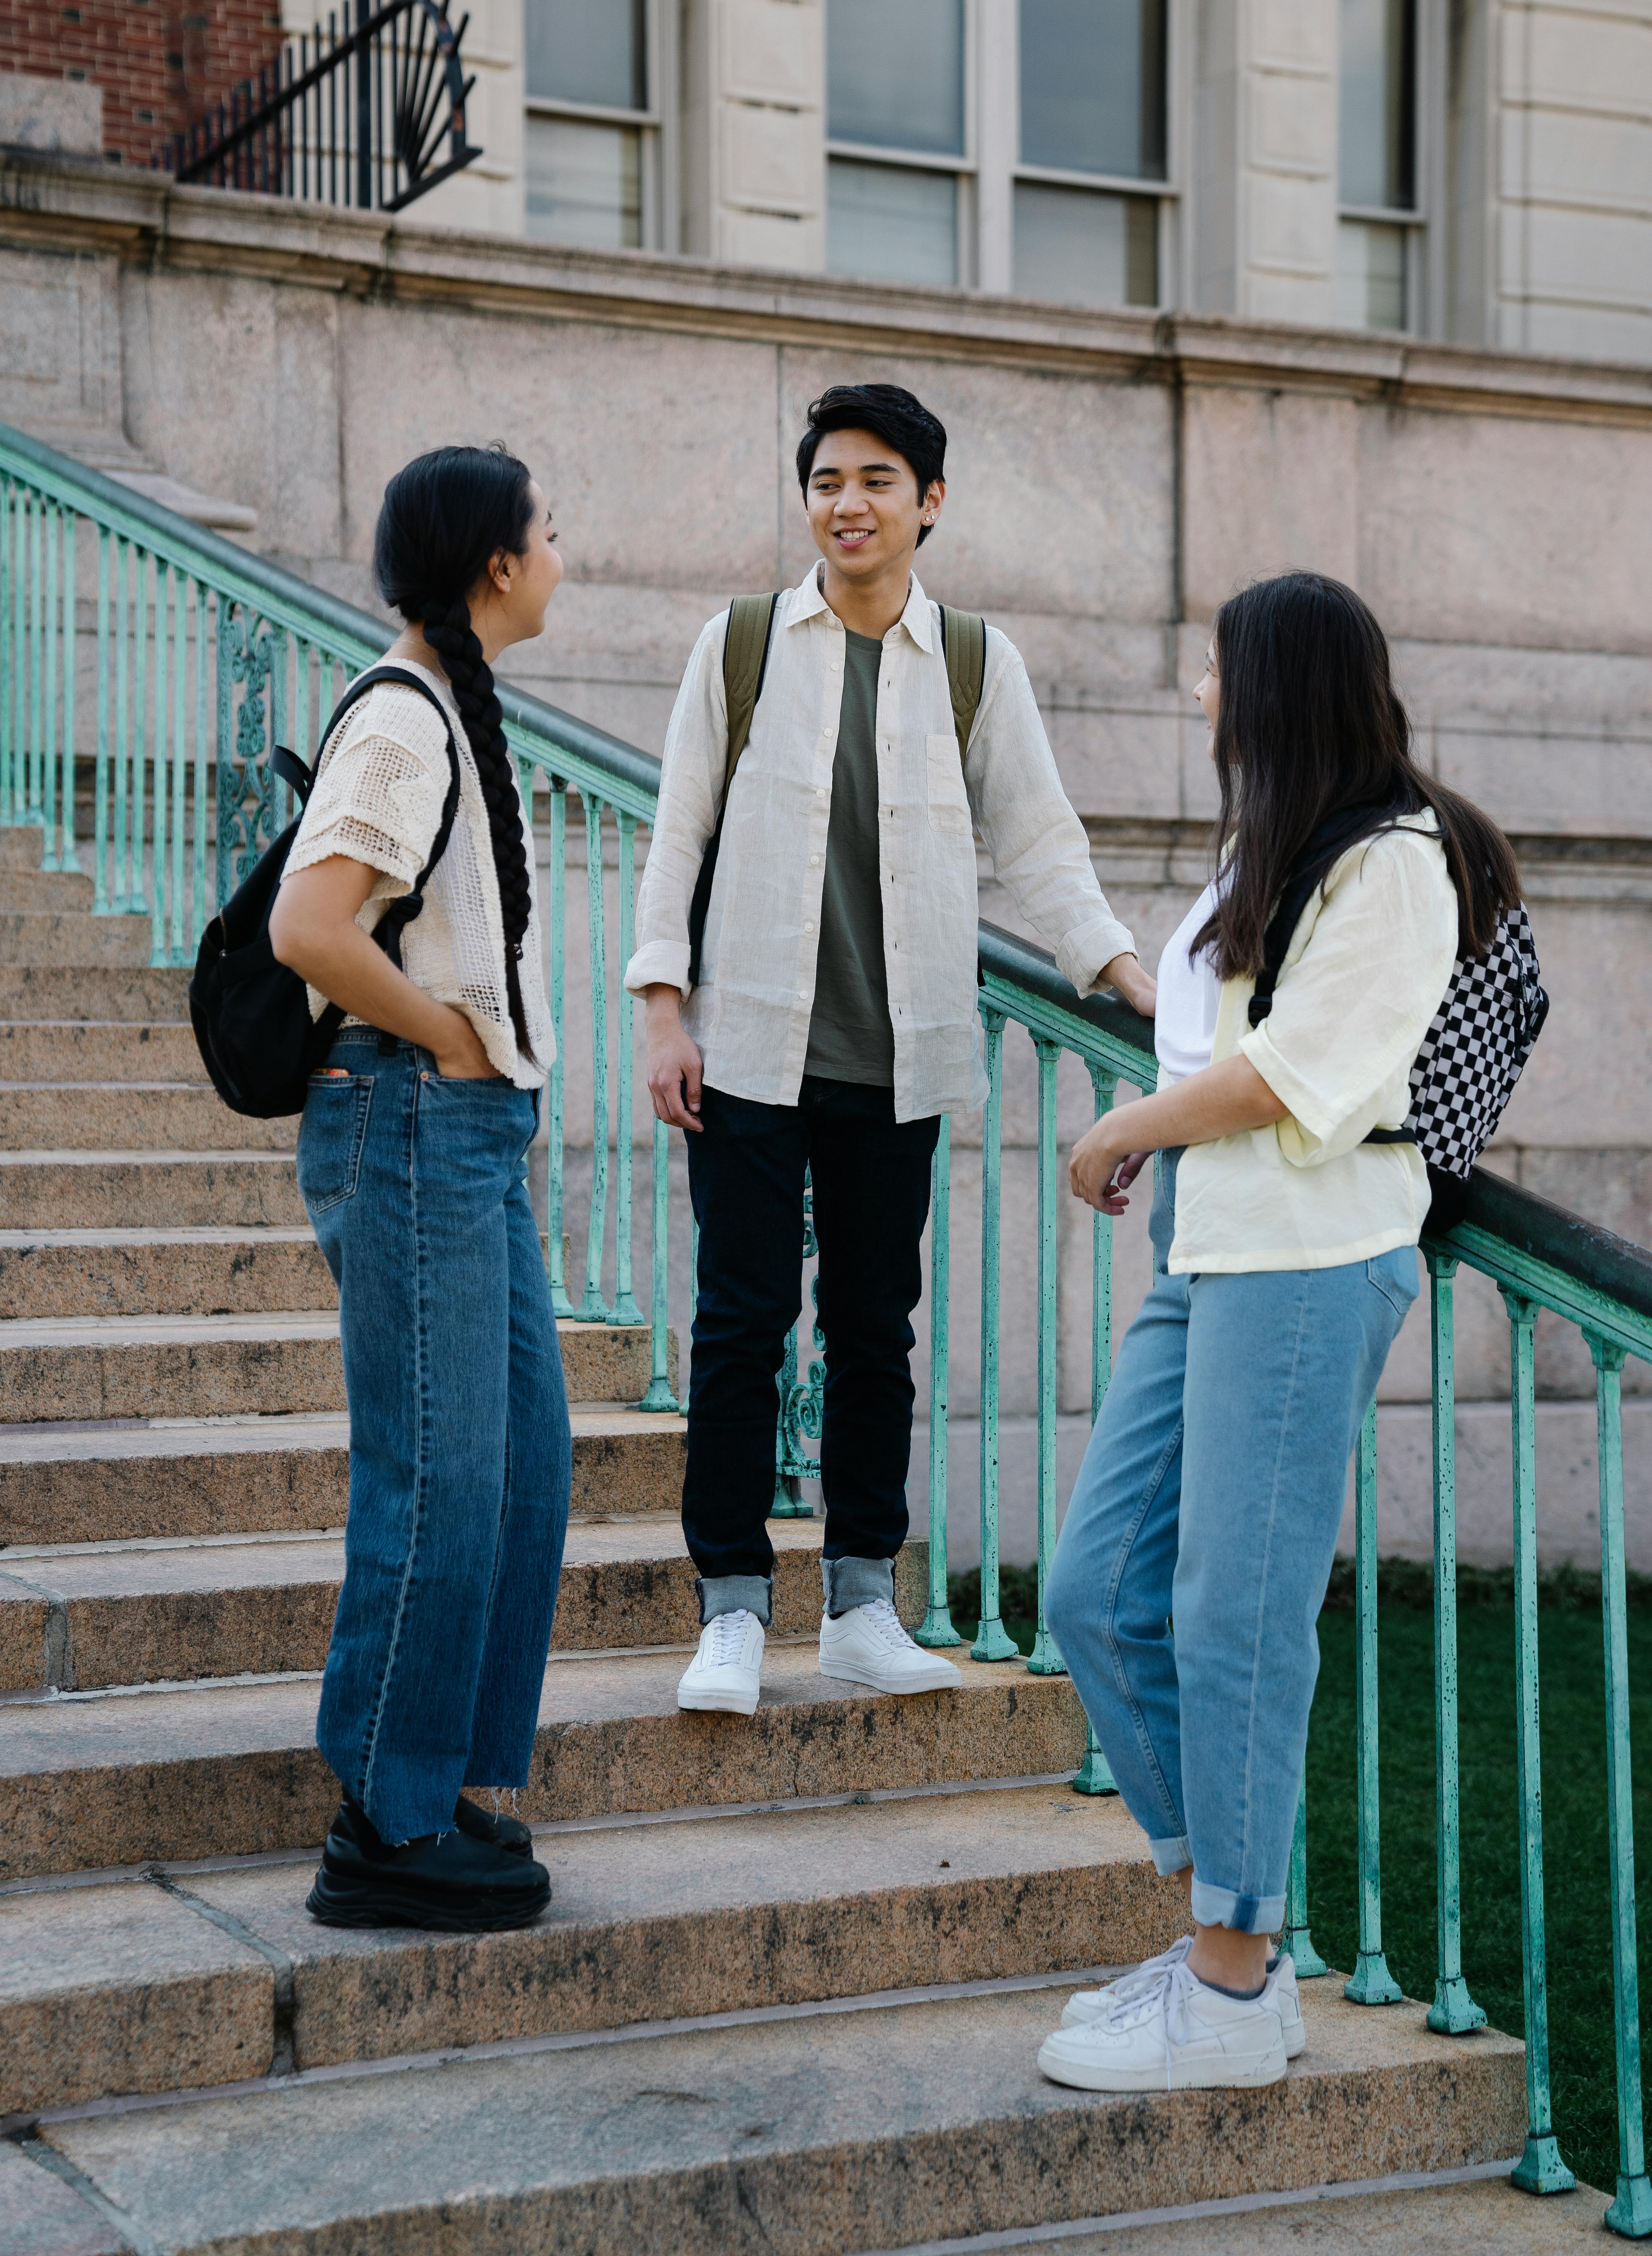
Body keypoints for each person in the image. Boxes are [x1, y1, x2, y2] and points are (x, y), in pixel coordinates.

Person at [1037, 571, 1521, 2093]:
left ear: (1279, 684)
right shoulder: (1277, 848)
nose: (1196, 691)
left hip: (1312, 1255)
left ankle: (1238, 1984)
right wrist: (1161, 1129)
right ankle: (1224, 1930)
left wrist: (1128, 1125)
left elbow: (1292, 1075)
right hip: (1216, 1241)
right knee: (1096, 1590)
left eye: (1214, 668)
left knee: (1232, 1618)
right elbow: (1210, 1041)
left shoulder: (1394, 866)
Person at [626, 383, 1156, 1717]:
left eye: (873, 481)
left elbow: (1040, 846)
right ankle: (732, 1612)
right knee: (742, 1327)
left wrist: (1126, 974)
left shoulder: (974, 661)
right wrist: (659, 1006)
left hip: (897, 1058)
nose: (845, 504)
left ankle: (863, 1598)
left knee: (876, 1332)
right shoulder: (744, 642)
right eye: (824, 482)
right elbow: (676, 829)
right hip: (748, 1047)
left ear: (929, 500)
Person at [268, 445, 570, 1933]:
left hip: (461, 1132)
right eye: (546, 530)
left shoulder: (450, 700)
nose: (559, 547)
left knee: (522, 1464)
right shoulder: (401, 718)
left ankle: (436, 1775)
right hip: (408, 1121)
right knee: (438, 1467)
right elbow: (311, 926)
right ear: (494, 565)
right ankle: (384, 1826)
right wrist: (449, 1032)